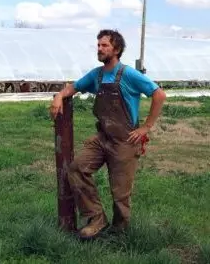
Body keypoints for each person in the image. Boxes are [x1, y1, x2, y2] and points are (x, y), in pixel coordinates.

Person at [50, 29, 166, 240]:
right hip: (102, 138)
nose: (100, 49)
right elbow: (73, 87)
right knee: (76, 169)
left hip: (125, 140)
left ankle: (120, 234)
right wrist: (59, 96)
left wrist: (146, 127)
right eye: (98, 45)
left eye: (104, 45)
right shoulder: (97, 75)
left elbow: (159, 94)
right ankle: (96, 217)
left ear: (117, 49)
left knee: (120, 193)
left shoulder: (129, 74)